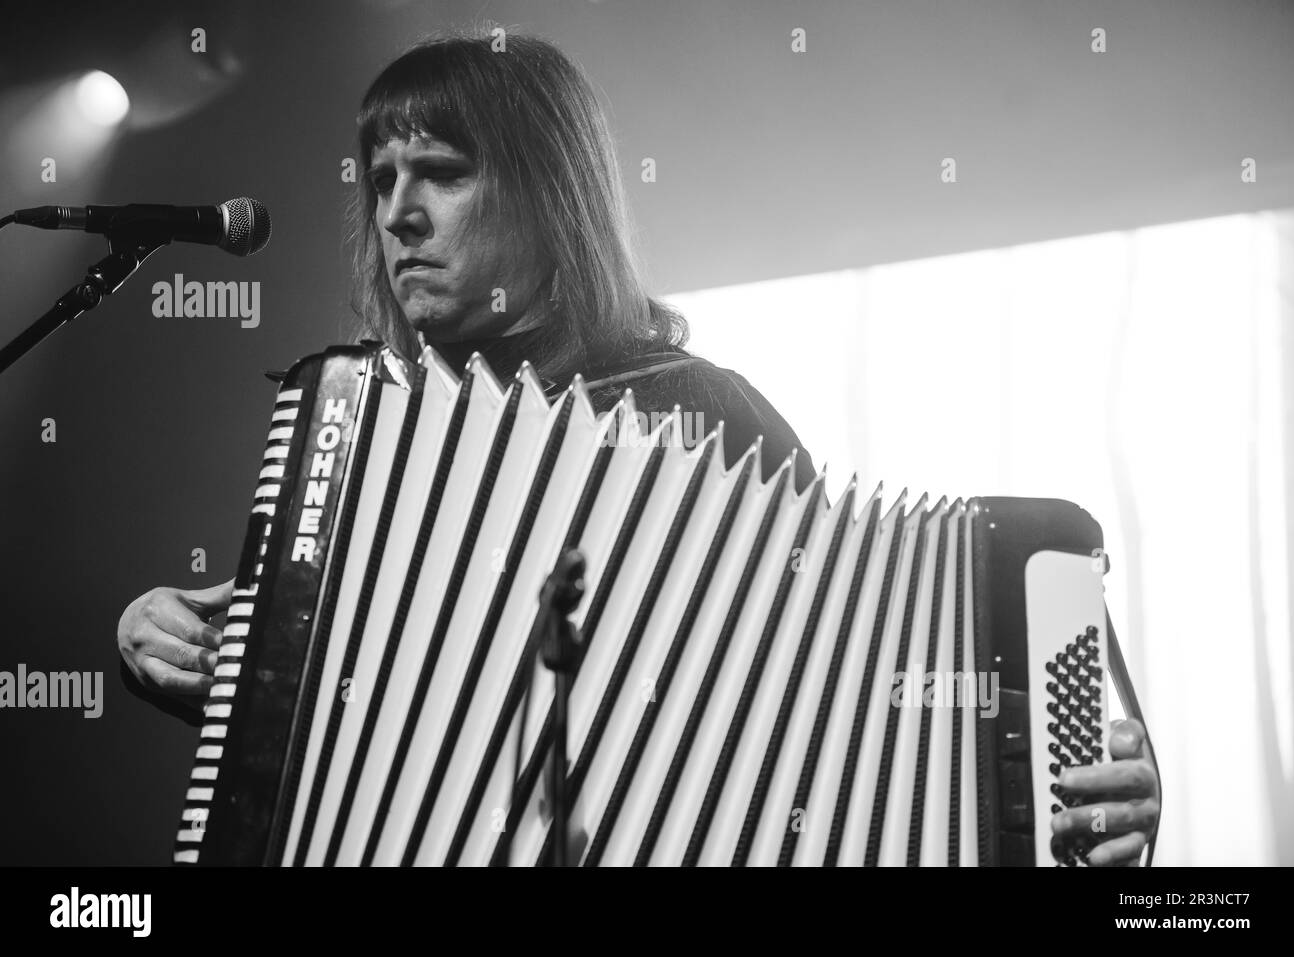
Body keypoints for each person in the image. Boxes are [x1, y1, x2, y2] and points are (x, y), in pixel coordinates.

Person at [116, 32, 1158, 865]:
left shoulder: (698, 414)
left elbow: (853, 701)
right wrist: (167, 643)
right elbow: (312, 704)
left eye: (437, 173)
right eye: (378, 179)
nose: (398, 215)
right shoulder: (362, 432)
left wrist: (1066, 782)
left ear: (544, 190)